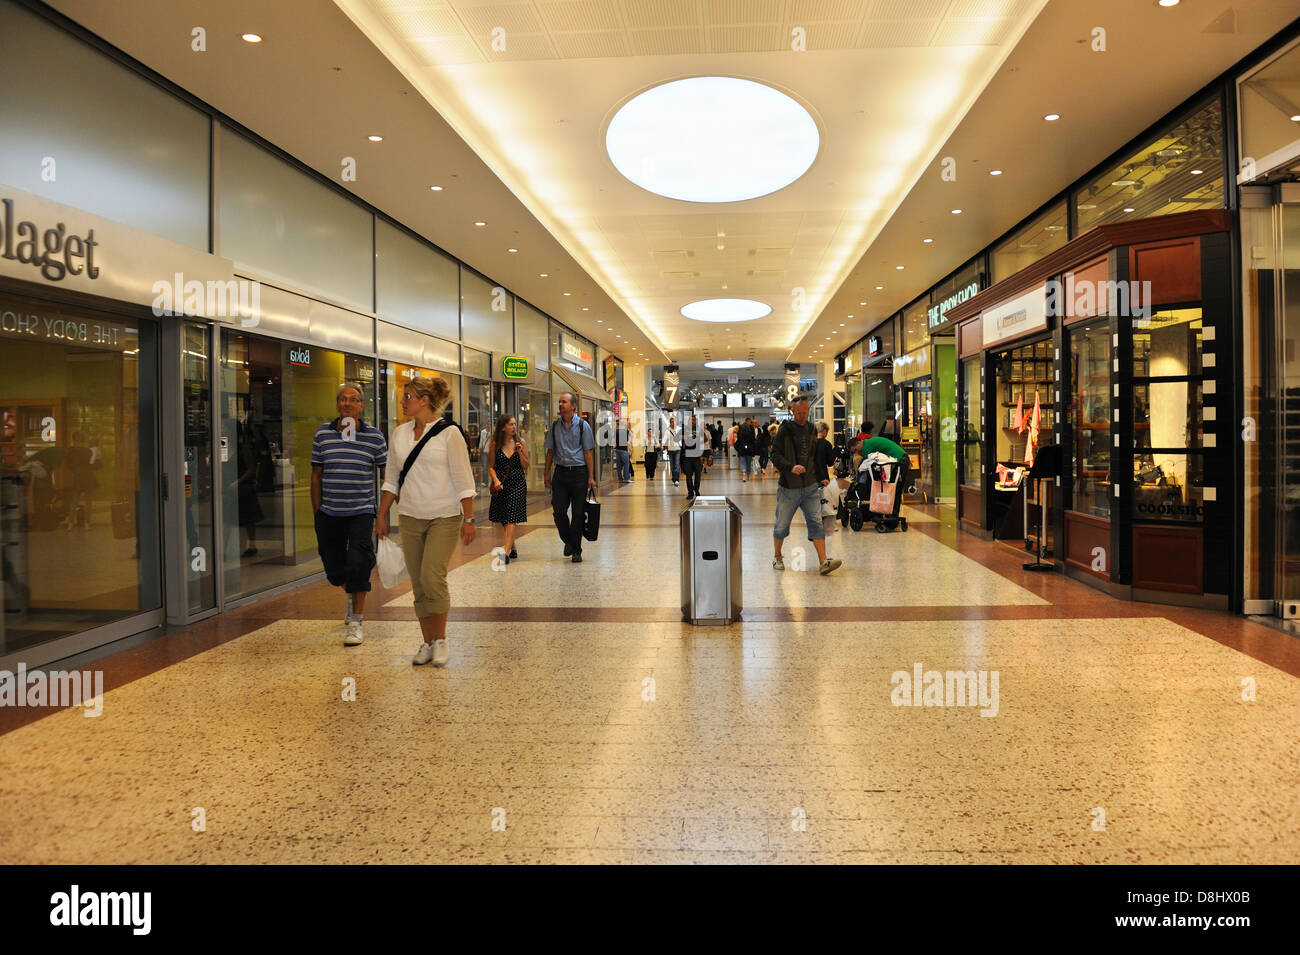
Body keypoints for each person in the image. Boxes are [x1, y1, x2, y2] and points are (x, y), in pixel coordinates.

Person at [377, 376, 476, 667]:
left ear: (424, 400)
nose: (403, 401)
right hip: (409, 516)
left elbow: (463, 479)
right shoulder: (399, 434)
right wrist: (381, 515)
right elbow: (391, 479)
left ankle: (442, 639)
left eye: (407, 396)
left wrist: (469, 518)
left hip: (444, 516)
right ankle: (428, 642)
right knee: (419, 583)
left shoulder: (449, 434)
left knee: (433, 576)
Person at [311, 384, 389, 646]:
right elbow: (316, 476)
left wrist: (383, 515)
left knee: (358, 564)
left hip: (361, 512)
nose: (347, 403)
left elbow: (384, 475)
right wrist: (317, 512)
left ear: (361, 405)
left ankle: (356, 621)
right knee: (335, 571)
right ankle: (350, 593)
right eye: (343, 399)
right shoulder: (323, 434)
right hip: (330, 512)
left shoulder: (374, 437)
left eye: (353, 400)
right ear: (337, 405)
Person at [771, 395, 841, 576]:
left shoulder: (811, 429)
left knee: (816, 523)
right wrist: (790, 467)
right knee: (781, 525)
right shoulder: (785, 430)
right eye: (798, 412)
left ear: (809, 411)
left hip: (810, 486)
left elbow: (813, 456)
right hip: (789, 487)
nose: (802, 416)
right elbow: (775, 455)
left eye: (805, 412)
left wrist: (821, 477)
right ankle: (777, 556)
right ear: (792, 411)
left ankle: (823, 561)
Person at [544, 392, 597, 563]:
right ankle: (569, 541)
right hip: (560, 473)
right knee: (558, 511)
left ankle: (577, 550)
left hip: (579, 474)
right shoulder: (554, 427)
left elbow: (588, 453)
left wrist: (591, 477)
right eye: (559, 402)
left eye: (564, 402)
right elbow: (550, 452)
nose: (560, 404)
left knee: (578, 513)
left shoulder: (583, 426)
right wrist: (546, 473)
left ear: (573, 406)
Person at [487, 413, 528, 564]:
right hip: (502, 484)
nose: (514, 427)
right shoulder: (494, 445)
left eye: (515, 424)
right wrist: (496, 480)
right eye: (511, 424)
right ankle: (513, 547)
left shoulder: (520, 442)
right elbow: (491, 466)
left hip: (517, 482)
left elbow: (526, 465)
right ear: (503, 427)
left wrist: (520, 452)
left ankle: (505, 552)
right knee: (505, 517)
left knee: (511, 516)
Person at [681, 414, 705, 501]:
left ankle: (696, 490)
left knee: (698, 475)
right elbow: (678, 438)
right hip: (687, 456)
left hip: (697, 456)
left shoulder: (699, 429)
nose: (692, 422)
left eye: (694, 420)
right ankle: (690, 492)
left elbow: (705, 439)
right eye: (691, 420)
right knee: (688, 476)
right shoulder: (685, 429)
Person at [664, 416, 681, 487]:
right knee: (672, 465)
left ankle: (676, 480)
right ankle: (674, 479)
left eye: (674, 421)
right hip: (670, 450)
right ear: (670, 423)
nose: (673, 423)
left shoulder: (679, 429)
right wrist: (663, 444)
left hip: (677, 449)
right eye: (672, 422)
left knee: (677, 465)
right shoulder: (668, 430)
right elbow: (665, 438)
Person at [614, 418, 632, 484]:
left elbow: (613, 440)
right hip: (624, 450)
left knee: (618, 465)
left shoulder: (616, 431)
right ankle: (626, 478)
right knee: (626, 464)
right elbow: (628, 441)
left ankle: (620, 478)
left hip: (617, 450)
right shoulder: (626, 431)